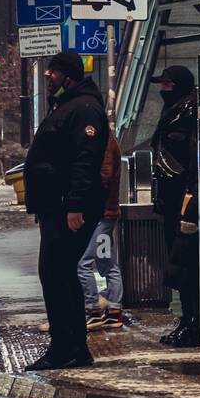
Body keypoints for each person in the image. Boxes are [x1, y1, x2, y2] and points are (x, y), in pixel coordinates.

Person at [21, 51, 108, 370]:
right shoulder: (68, 105)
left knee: (56, 274)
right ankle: (74, 348)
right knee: (60, 274)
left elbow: (85, 161)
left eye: (53, 71)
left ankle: (64, 349)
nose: (48, 76)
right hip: (56, 206)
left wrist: (74, 206)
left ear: (69, 75)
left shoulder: (83, 109)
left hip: (67, 209)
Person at [151, 65, 200, 346]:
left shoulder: (189, 113)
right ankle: (188, 319)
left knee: (186, 264)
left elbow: (193, 159)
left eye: (167, 86)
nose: (162, 90)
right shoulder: (174, 112)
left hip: (184, 202)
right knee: (179, 262)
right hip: (172, 202)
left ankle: (193, 322)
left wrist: (189, 199)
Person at [80, 129, 124, 331]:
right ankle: (114, 311)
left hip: (102, 215)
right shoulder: (109, 140)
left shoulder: (104, 142)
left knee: (83, 264)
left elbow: (103, 176)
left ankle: (93, 310)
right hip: (108, 214)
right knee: (107, 263)